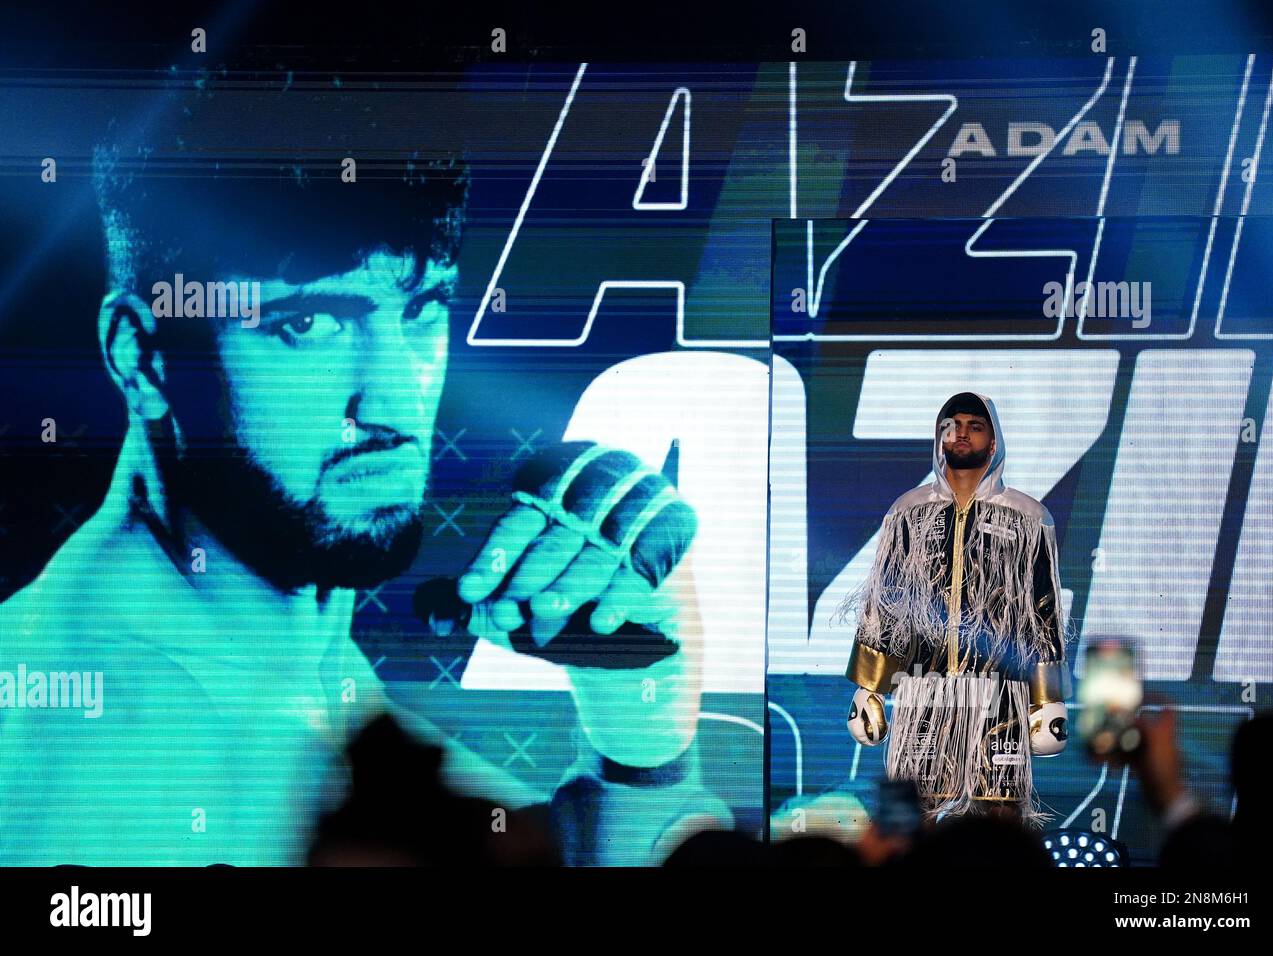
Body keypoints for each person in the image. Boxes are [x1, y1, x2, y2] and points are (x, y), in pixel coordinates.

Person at [0, 93, 729, 865]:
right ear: (142, 356)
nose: (392, 402)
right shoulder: (126, 750)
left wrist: (642, 750)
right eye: (306, 325)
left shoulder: (274, 667)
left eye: (422, 309)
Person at [841, 392, 1071, 826]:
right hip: (923, 687)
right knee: (911, 811)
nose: (961, 432)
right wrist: (869, 686)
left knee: (1001, 808)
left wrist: (1047, 699)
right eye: (952, 424)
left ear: (994, 440)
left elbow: (1043, 611)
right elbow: (886, 604)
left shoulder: (1027, 516)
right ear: (939, 435)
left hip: (1000, 690)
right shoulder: (909, 512)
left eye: (975, 425)